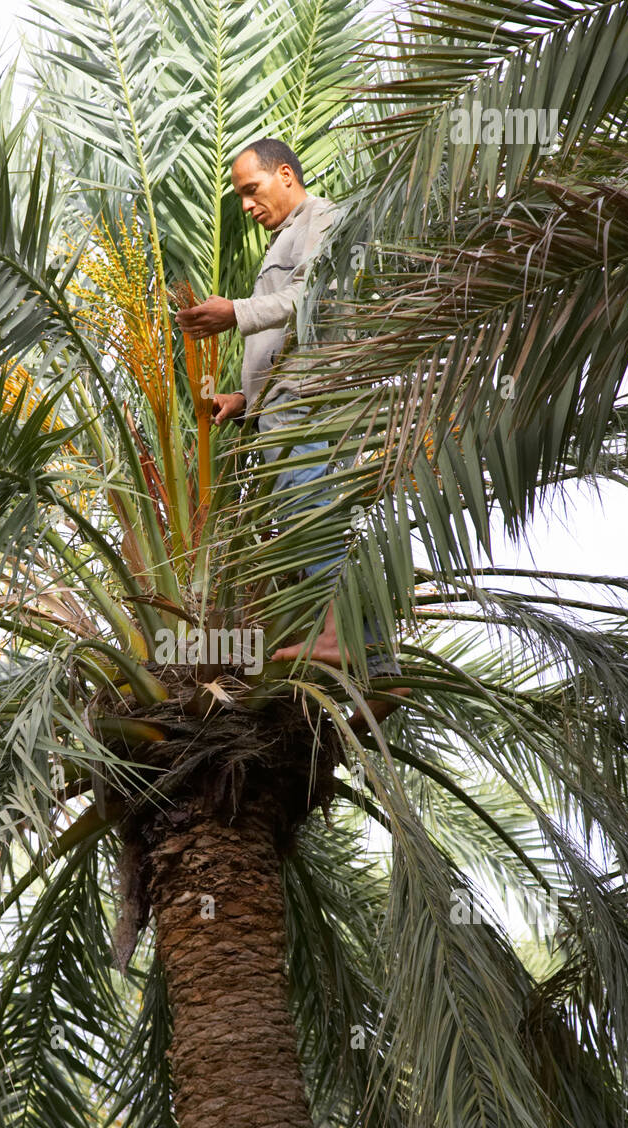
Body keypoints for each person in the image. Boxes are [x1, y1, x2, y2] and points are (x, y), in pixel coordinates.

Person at [174, 138, 410, 728]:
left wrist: (235, 313)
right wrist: (243, 400)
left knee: (320, 517)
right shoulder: (281, 242)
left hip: (308, 406)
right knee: (313, 521)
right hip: (279, 412)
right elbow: (282, 336)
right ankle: (362, 656)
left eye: (252, 191)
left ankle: (367, 650)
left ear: (285, 174)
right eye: (241, 198)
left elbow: (318, 296)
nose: (248, 206)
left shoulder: (322, 219)